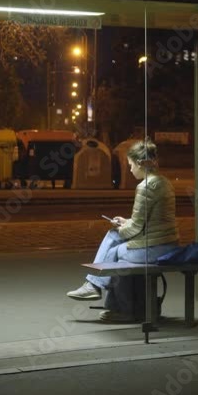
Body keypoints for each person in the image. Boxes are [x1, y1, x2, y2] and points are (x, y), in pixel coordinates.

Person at [66, 138, 180, 322]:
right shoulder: (164, 182)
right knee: (116, 247)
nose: (130, 169)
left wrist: (122, 228)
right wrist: (125, 222)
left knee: (116, 249)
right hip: (168, 242)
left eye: (131, 165)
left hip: (157, 247)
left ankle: (101, 291)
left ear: (140, 163)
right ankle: (110, 301)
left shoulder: (145, 187)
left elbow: (136, 228)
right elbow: (146, 222)